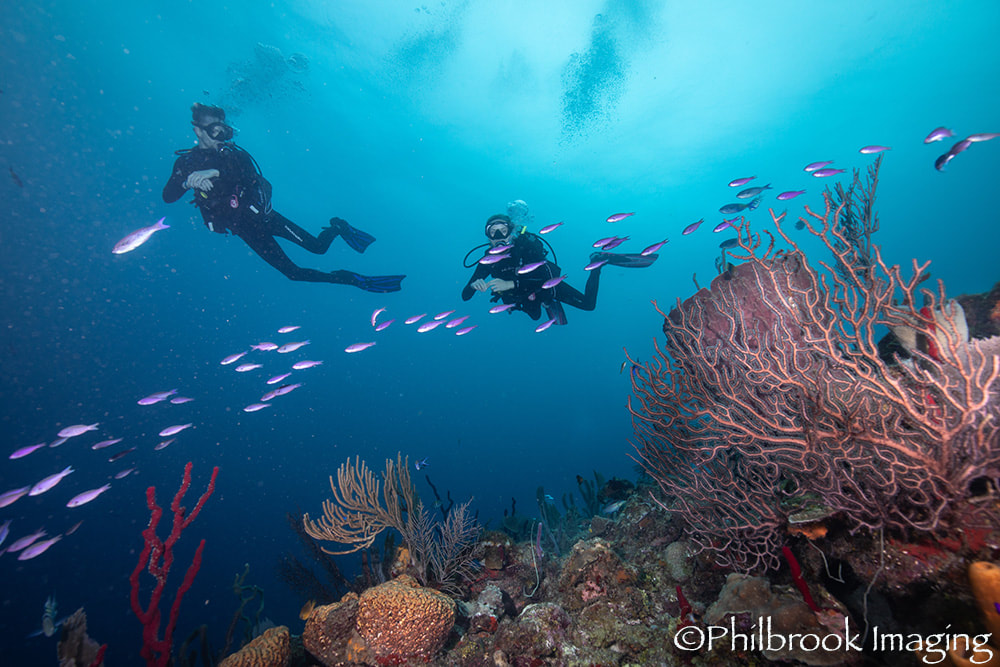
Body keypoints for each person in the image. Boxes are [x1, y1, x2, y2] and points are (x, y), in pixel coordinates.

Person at [162, 103, 405, 292]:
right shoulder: (185, 163)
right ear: (197, 130)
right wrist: (186, 180)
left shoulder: (233, 155)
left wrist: (213, 172)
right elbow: (168, 197)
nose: (222, 136)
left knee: (318, 248)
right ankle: (350, 280)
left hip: (265, 217)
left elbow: (247, 174)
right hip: (243, 228)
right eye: (216, 130)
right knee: (292, 273)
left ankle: (338, 226)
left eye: (225, 129)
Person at [461, 206, 657, 326]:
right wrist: (474, 285)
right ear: (487, 237)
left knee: (589, 305)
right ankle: (544, 303)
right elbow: (465, 295)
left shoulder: (525, 247)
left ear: (511, 233)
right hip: (526, 297)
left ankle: (597, 261)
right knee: (535, 316)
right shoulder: (487, 260)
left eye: (502, 231)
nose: (498, 238)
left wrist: (511, 285)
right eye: (492, 233)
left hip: (548, 286)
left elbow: (549, 273)